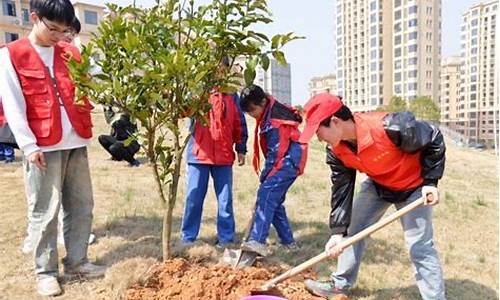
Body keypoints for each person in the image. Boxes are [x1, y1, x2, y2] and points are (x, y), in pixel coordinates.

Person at [0, 0, 106, 296]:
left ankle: (77, 262)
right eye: (53, 29)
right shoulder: (11, 56)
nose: (59, 36)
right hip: (42, 147)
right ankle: (45, 271)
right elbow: (13, 104)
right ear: (35, 18)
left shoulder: (71, 53)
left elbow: (90, 84)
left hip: (75, 141)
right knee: (45, 211)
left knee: (82, 206)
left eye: (64, 30)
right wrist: (28, 145)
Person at [298, 94, 446, 300]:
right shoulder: (336, 150)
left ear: (335, 122)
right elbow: (342, 188)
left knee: (419, 247)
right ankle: (339, 284)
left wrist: (431, 182)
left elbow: (434, 137)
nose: (318, 137)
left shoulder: (391, 127)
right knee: (352, 232)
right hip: (379, 185)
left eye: (318, 131)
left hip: (414, 188)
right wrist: (337, 232)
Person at [180, 57, 248, 248]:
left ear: (226, 70)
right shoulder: (197, 91)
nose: (219, 73)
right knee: (193, 198)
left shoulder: (232, 95)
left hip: (224, 156)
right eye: (215, 69)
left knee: (225, 201)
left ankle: (226, 238)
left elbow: (239, 123)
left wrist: (241, 148)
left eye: (222, 69)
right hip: (199, 155)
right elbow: (183, 110)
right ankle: (188, 237)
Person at [238, 84, 308, 256]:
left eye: (252, 110)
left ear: (262, 103)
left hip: (288, 162)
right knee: (274, 201)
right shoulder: (268, 112)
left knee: (266, 195)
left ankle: (258, 240)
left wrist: (265, 174)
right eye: (248, 113)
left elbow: (278, 151)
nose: (252, 115)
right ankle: (288, 242)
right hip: (284, 160)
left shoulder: (276, 120)